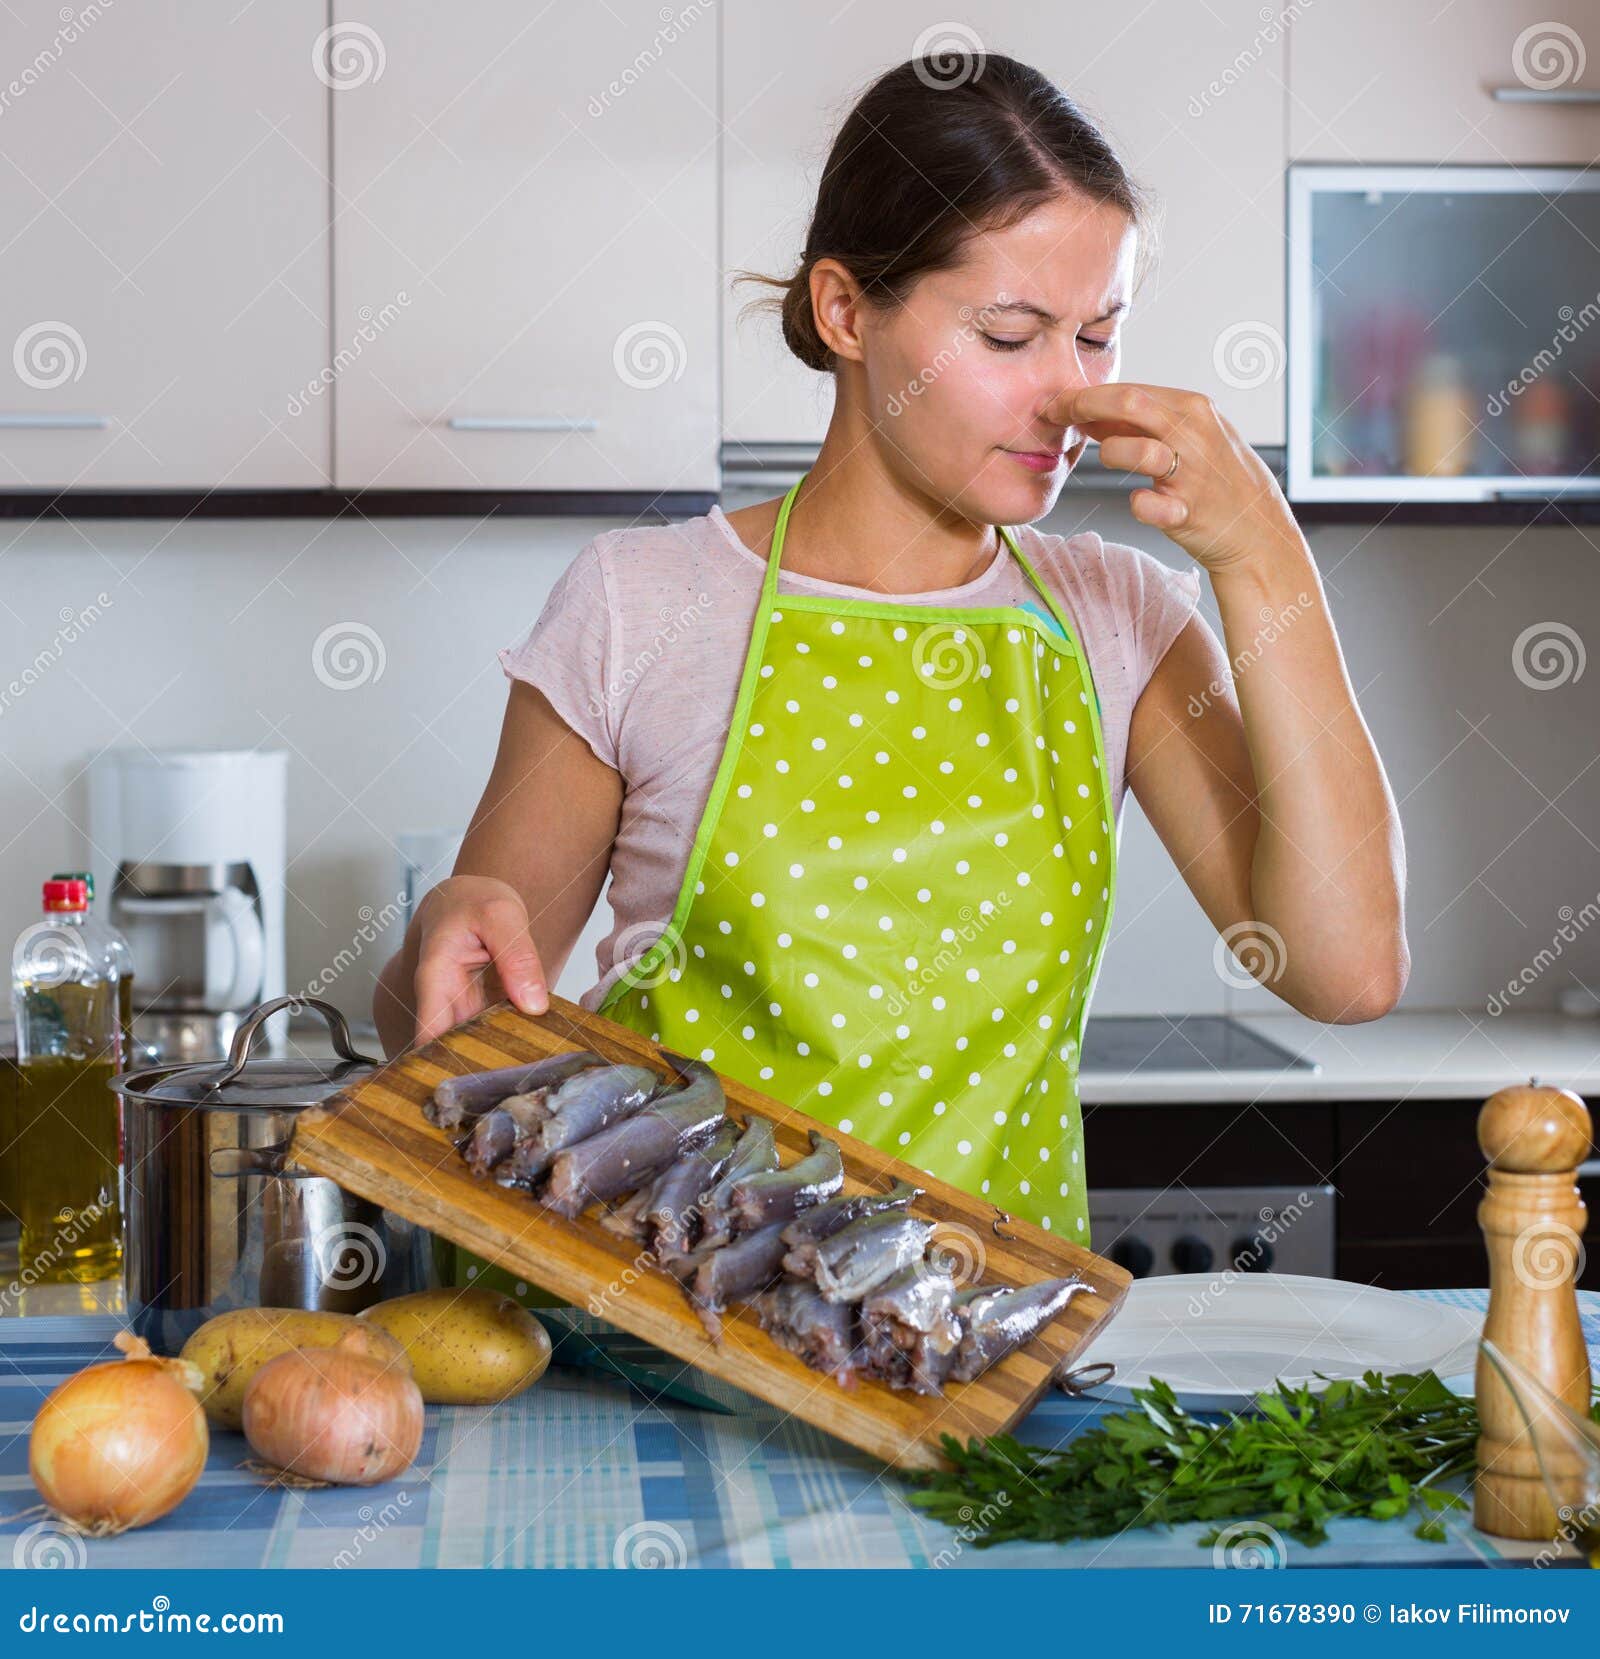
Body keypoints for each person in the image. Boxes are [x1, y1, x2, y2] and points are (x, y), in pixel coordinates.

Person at [375, 53, 1408, 1260]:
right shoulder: (639, 603)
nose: (1067, 396)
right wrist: (439, 929)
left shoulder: (1119, 618)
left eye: (1096, 336)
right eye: (1010, 336)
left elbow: (1346, 975)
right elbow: (459, 1044)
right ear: (844, 311)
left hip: (970, 1338)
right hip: (659, 1327)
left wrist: (1263, 559)